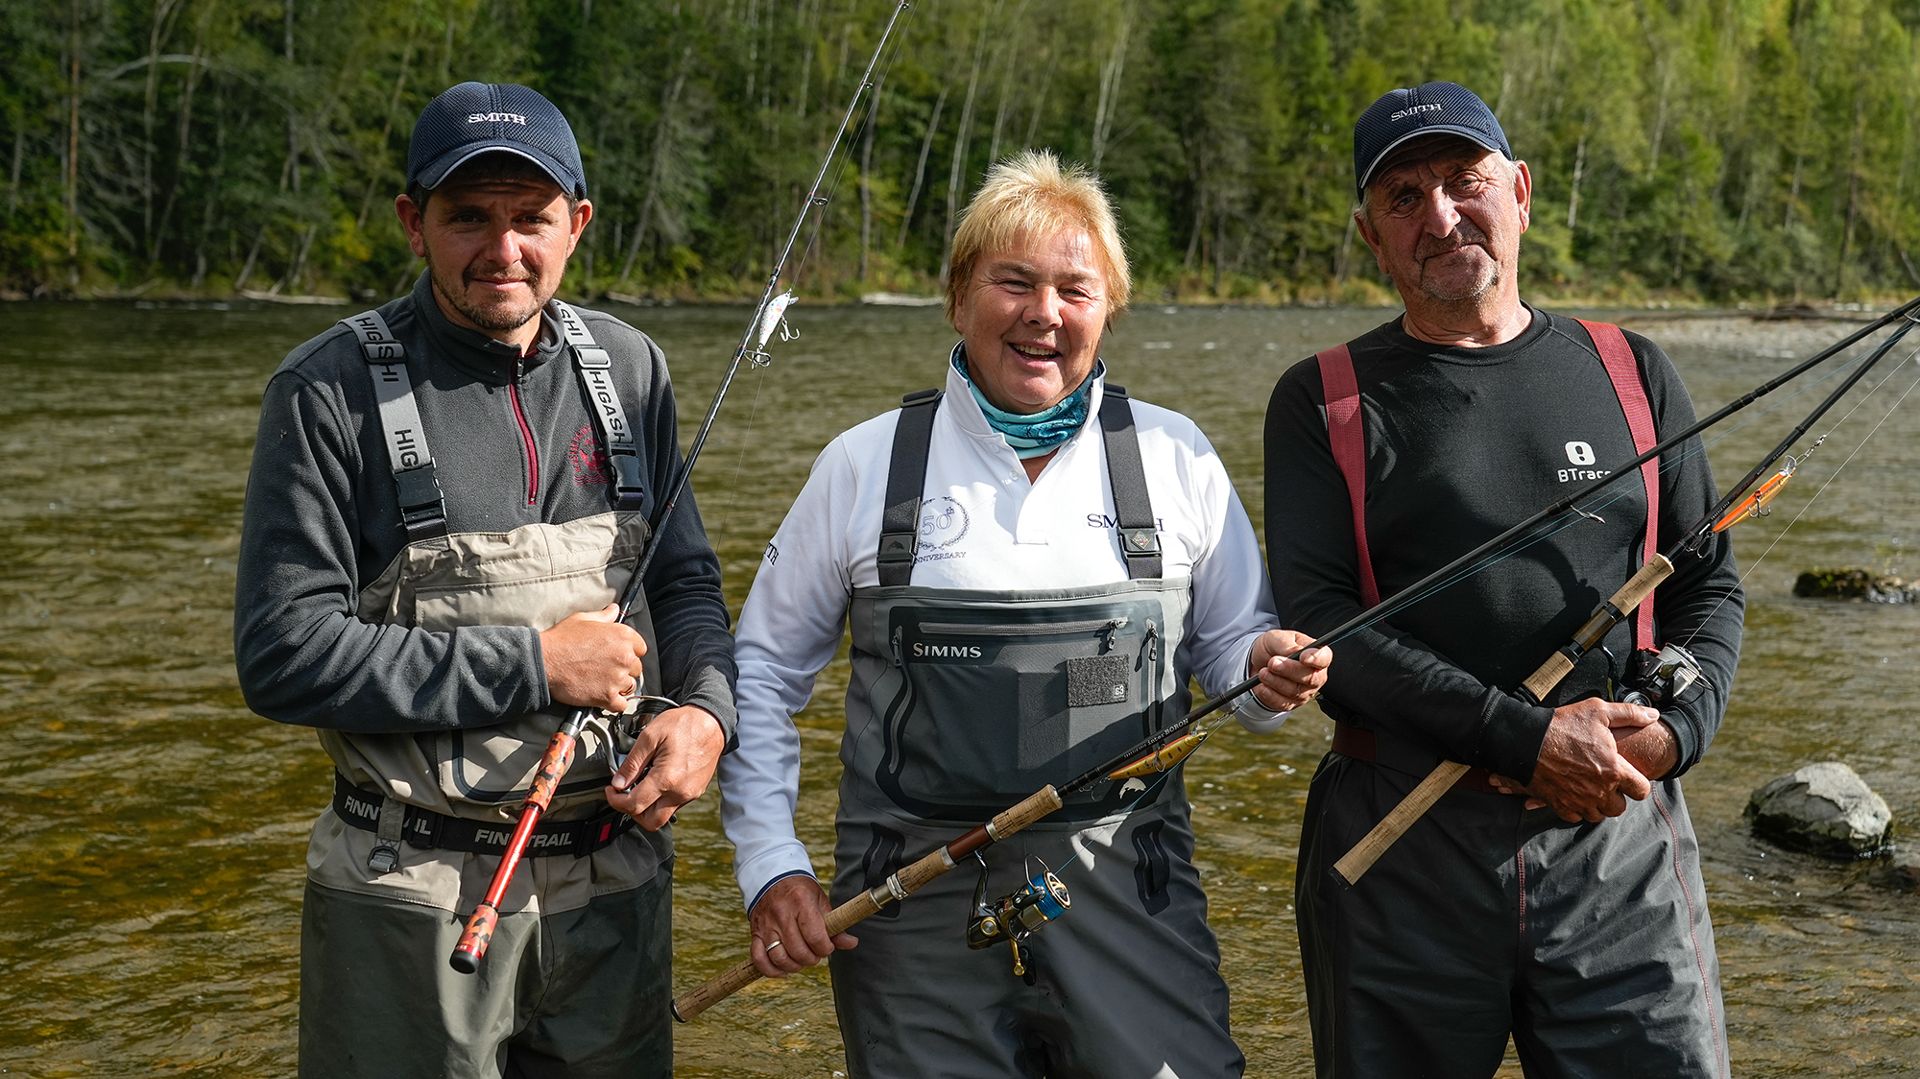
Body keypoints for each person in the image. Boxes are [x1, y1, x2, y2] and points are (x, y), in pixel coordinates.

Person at [714, 148, 1332, 1078]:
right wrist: (771, 862)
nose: (1045, 313)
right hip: (906, 903)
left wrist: (1270, 668)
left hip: (1132, 885)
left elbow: (1235, 670)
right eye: (1014, 282)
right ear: (959, 296)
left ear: (1107, 312)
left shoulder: (1178, 456)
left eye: (1075, 290)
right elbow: (758, 672)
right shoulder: (861, 463)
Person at [233, 81, 736, 1079]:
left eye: (531, 219)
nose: (504, 249)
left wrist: (706, 713)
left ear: (577, 225)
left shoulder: (633, 371)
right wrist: (536, 663)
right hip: (407, 894)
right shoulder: (326, 390)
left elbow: (684, 583)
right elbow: (282, 656)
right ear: (414, 224)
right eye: (470, 217)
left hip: (611, 884)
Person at [1265, 81, 1745, 1077]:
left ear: (1519, 191)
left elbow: (1706, 584)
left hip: (1620, 839)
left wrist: (1674, 732)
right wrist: (1529, 738)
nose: (1439, 214)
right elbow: (1323, 623)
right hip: (1400, 853)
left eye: (1462, 179)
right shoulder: (1321, 399)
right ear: (1371, 234)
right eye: (1404, 196)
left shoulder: (1634, 369)